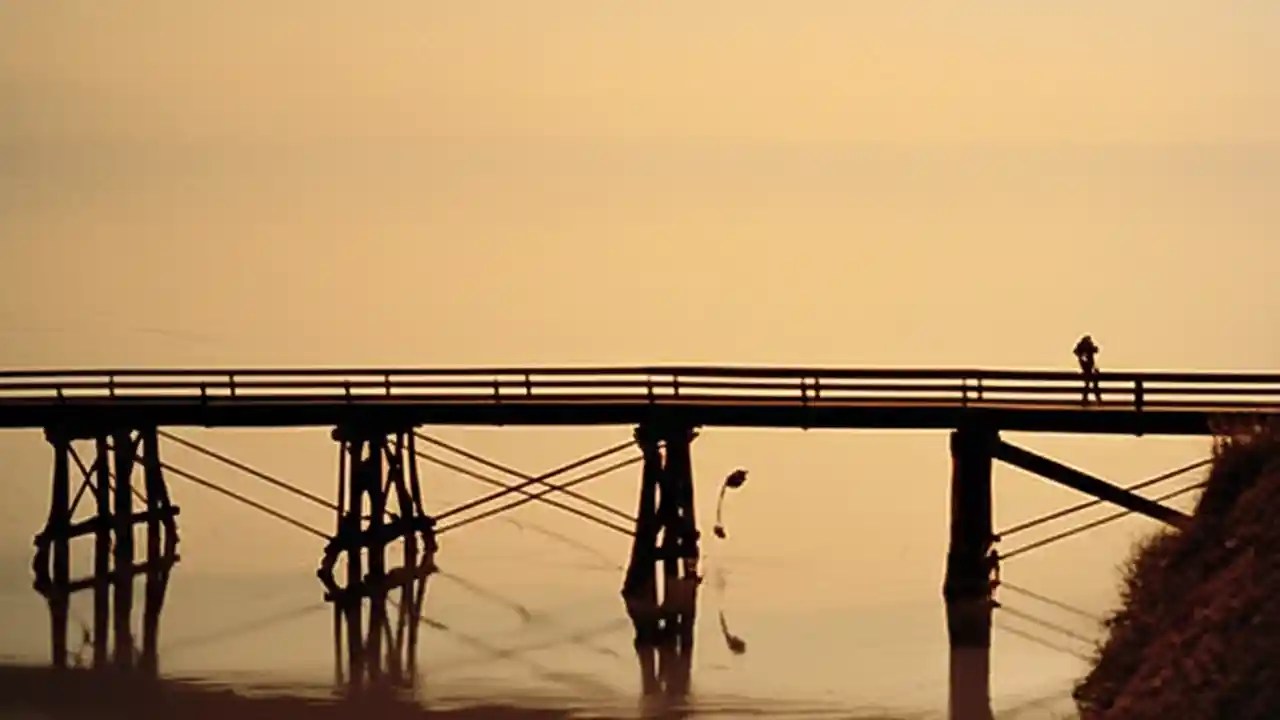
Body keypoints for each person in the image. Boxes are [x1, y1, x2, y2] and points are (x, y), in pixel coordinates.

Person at [1073, 334, 1102, 404]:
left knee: (1089, 383)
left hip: (1087, 367)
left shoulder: (1081, 347)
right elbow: (1096, 350)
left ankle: (1086, 399)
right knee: (1092, 383)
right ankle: (1096, 399)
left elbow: (1095, 350)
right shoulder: (1085, 346)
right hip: (1088, 368)